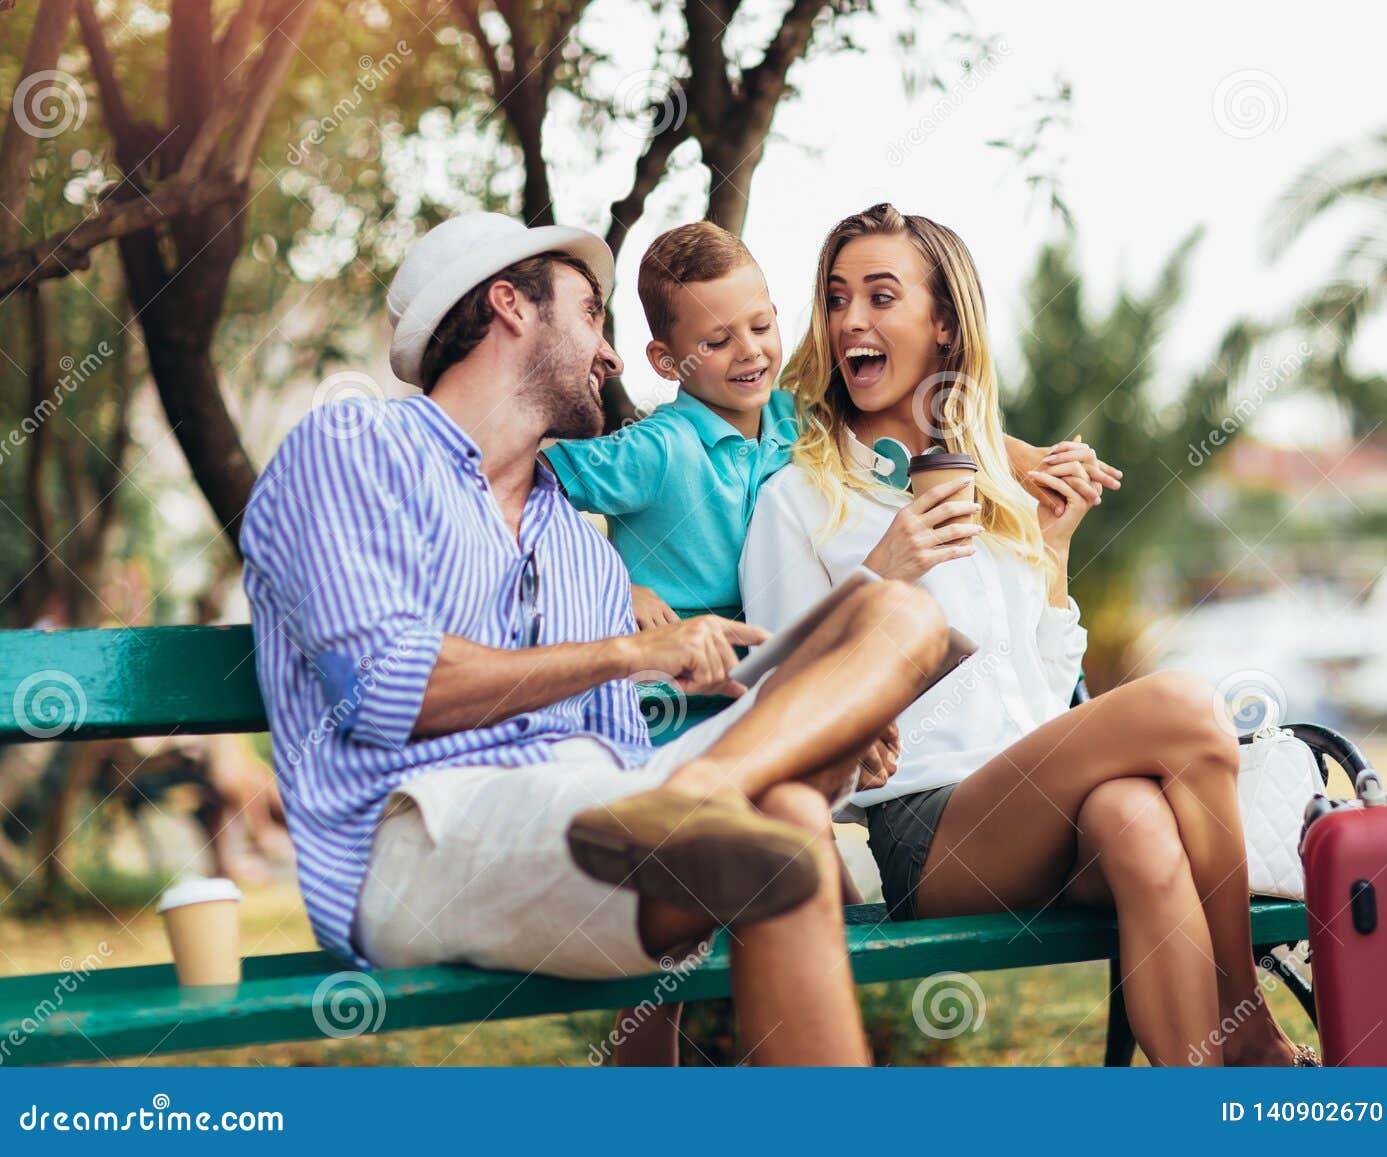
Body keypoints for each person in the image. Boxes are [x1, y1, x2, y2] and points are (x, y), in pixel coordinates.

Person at [240, 211, 950, 1066]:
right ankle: (705, 803)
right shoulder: (358, 445)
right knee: (769, 827)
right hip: (422, 826)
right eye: (589, 314)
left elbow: (626, 751)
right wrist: (631, 651)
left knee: (892, 625)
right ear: (509, 305)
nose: (612, 356)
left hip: (611, 807)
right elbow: (388, 687)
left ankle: (710, 796)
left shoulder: (580, 547)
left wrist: (825, 723)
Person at [738, 202, 1318, 1067]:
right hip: (933, 834)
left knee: (1135, 821)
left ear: (944, 325)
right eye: (837, 297)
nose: (850, 319)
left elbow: (1043, 692)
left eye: (881, 297)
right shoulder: (800, 498)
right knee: (1183, 706)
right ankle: (1251, 1023)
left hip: (1047, 812)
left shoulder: (998, 490)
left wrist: (1052, 551)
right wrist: (884, 570)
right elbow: (776, 698)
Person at [541, 222, 796, 628]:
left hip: (778, 641)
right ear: (667, 361)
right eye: (717, 342)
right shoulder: (657, 447)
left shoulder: (799, 419)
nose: (750, 350)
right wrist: (610, 584)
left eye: (761, 326)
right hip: (671, 655)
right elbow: (521, 481)